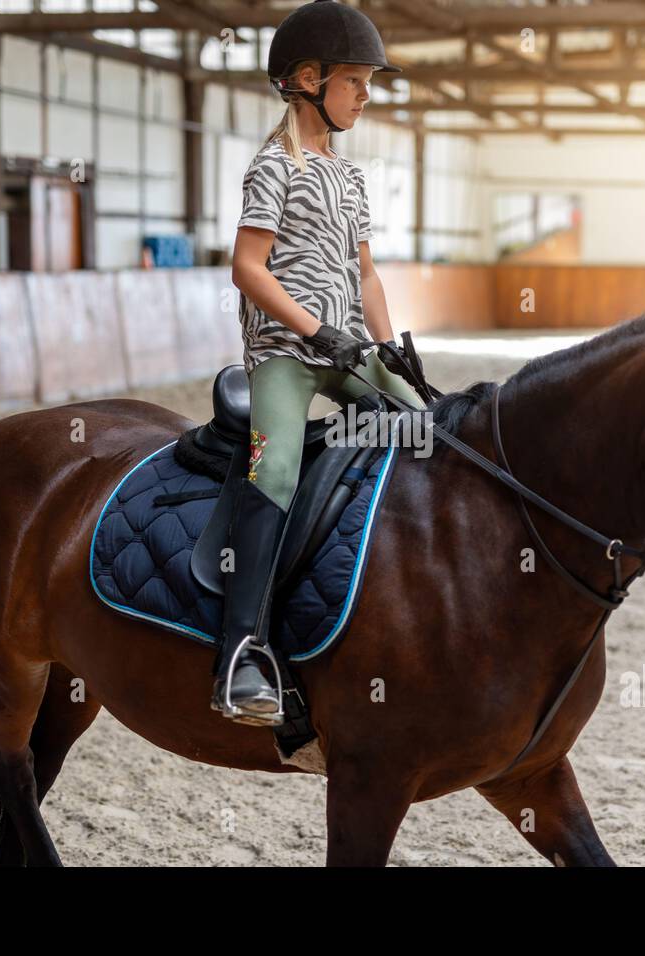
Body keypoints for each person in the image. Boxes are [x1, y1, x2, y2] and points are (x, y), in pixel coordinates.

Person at [216, 0, 428, 723]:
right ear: (308, 79)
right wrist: (316, 330)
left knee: (425, 427)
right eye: (357, 82)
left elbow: (365, 275)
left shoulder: (351, 176)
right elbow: (247, 268)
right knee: (272, 469)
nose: (367, 94)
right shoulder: (274, 166)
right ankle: (241, 651)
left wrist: (389, 345)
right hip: (286, 356)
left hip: (349, 349)